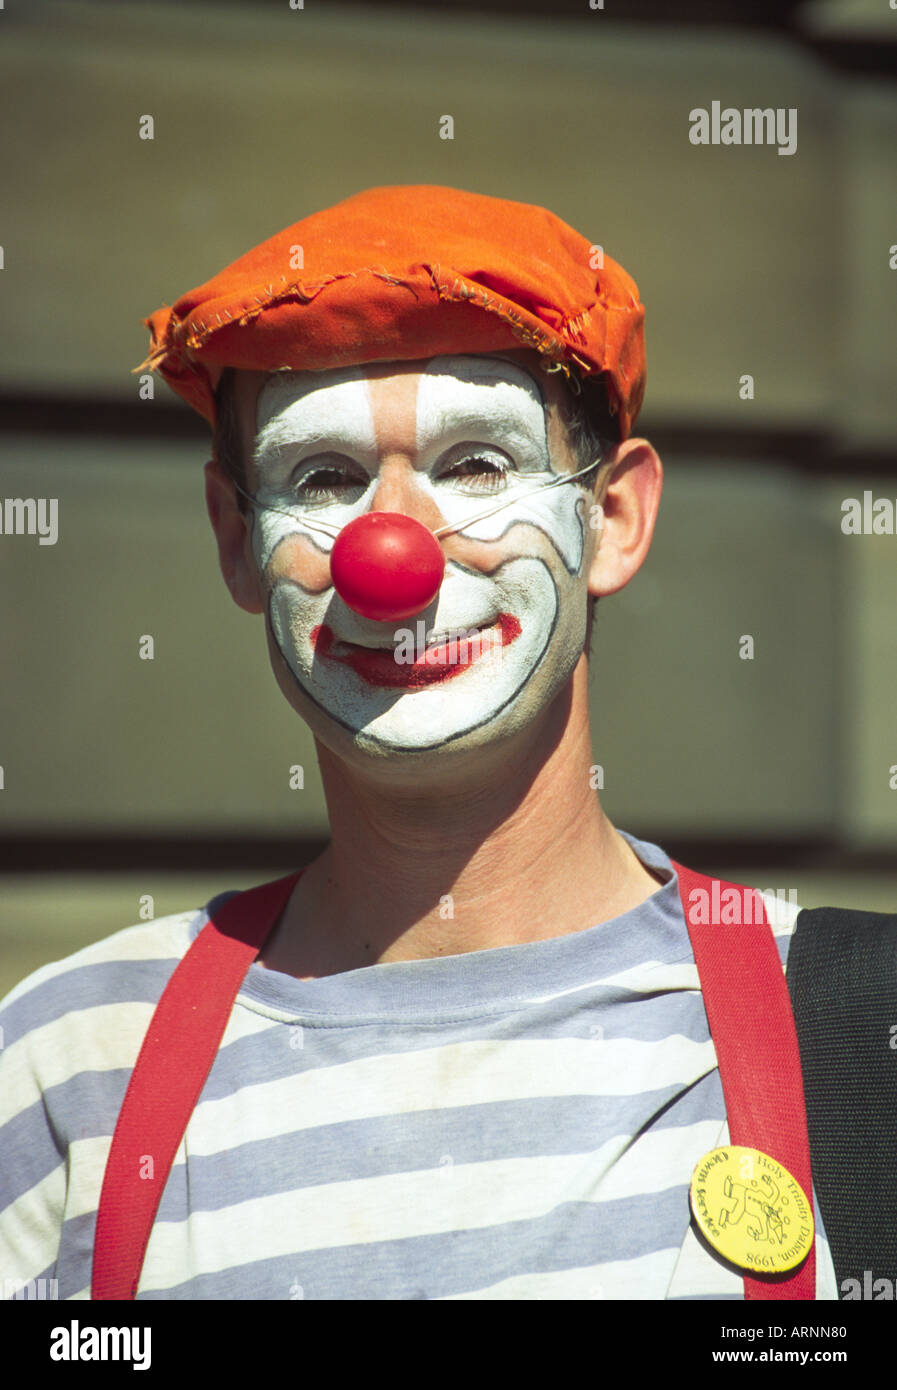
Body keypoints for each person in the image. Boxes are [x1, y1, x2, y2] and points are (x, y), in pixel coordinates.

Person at [0, 184, 839, 1301]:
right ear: (237, 542)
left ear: (615, 520)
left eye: (479, 466)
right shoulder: (64, 1066)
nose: (393, 556)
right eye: (326, 480)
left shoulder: (853, 1034)